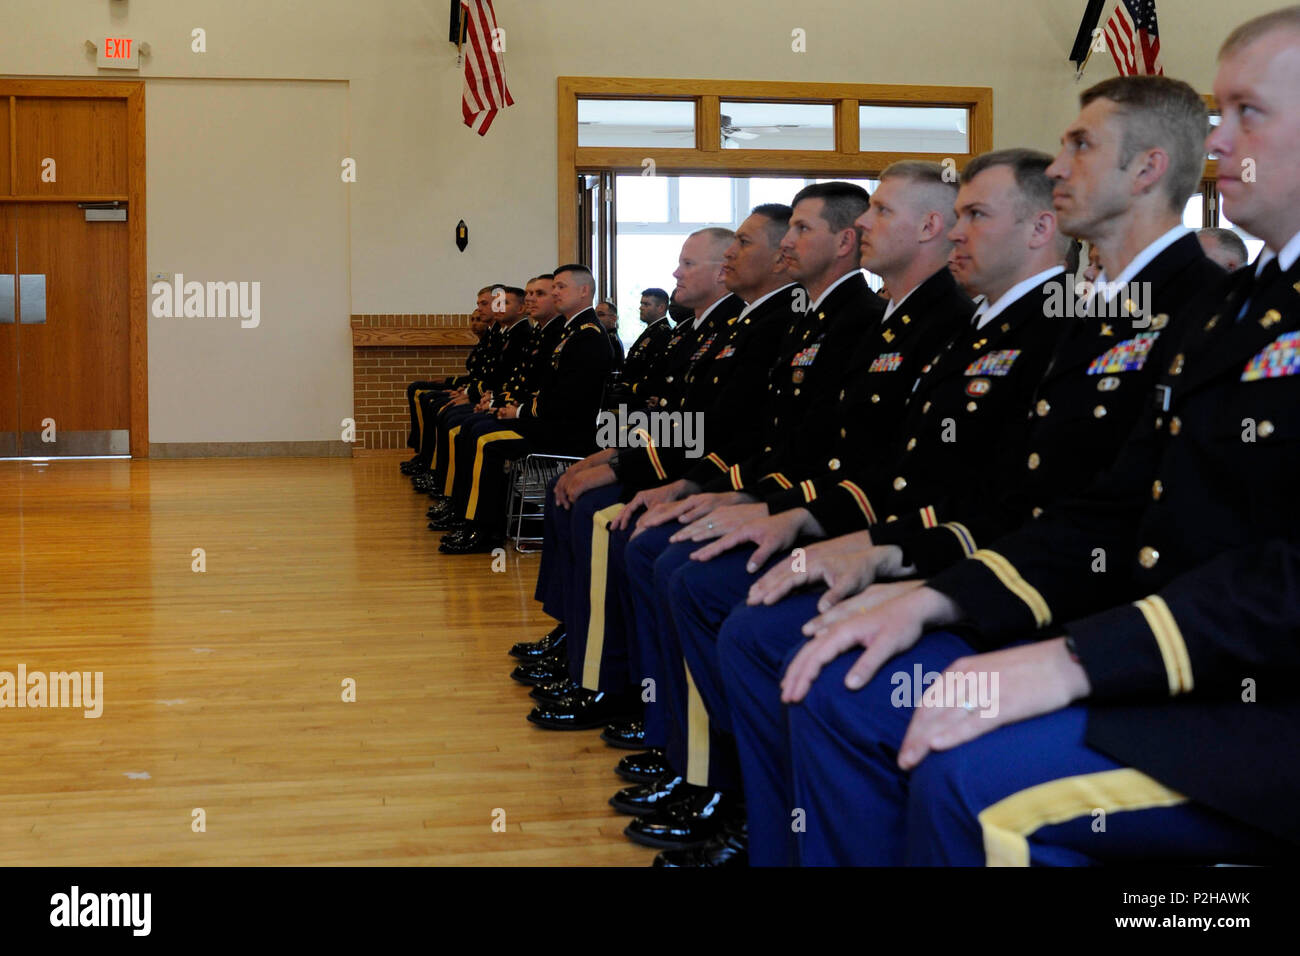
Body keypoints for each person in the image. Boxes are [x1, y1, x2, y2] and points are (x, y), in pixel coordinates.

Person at [724, 7, 1300, 865]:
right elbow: (1111, 506)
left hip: (1253, 695)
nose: (1216, 142)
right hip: (1173, 649)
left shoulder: (1202, 302)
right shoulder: (1242, 304)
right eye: (1217, 114)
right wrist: (935, 589)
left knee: (975, 781)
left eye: (1248, 113)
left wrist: (1076, 657)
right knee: (845, 682)